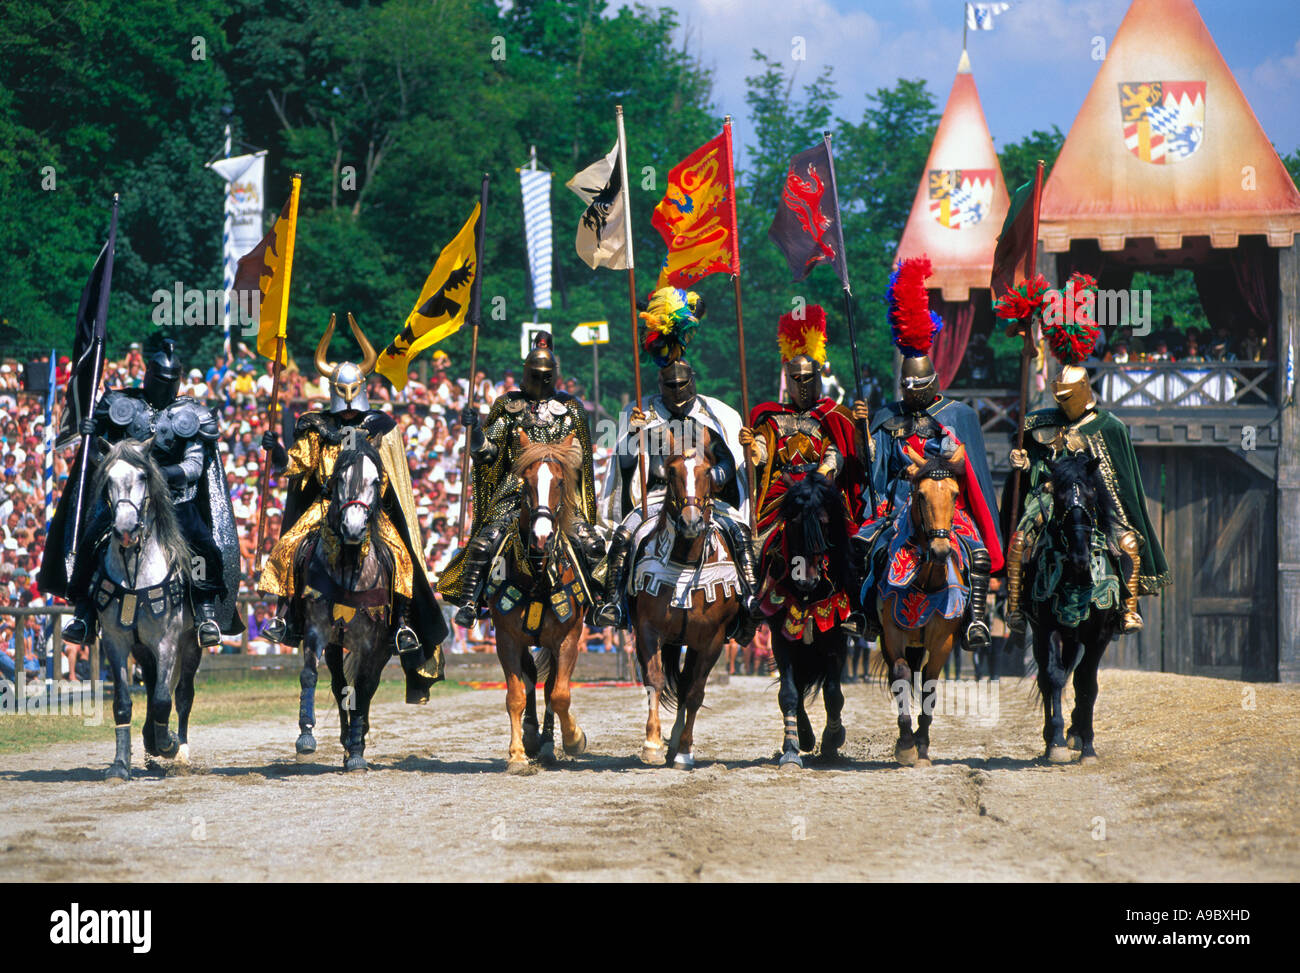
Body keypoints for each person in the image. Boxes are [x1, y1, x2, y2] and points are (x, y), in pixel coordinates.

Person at [258, 313, 446, 704]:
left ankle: (404, 625)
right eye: (339, 392)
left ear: (360, 389)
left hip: (370, 508)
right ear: (331, 390)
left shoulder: (378, 425)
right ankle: (282, 615)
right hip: (327, 505)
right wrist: (277, 451)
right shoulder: (314, 425)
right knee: (290, 545)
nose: (345, 403)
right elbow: (296, 466)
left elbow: (391, 478)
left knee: (399, 554)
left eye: (351, 392)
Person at [40, 339, 242, 649]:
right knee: (90, 541)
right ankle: (83, 614)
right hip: (129, 499)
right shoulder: (120, 406)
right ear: (147, 375)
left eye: (169, 380)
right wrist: (91, 435)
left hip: (175, 501)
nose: (164, 385)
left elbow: (194, 466)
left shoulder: (190, 414)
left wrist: (159, 476)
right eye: (159, 378)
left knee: (204, 546)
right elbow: (98, 459)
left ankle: (203, 612)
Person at [594, 287, 758, 633]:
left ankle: (750, 601)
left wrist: (714, 477)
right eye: (671, 387)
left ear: (693, 382)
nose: (678, 392)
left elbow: (729, 462)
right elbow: (623, 468)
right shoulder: (643, 413)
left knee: (740, 533)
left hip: (706, 496)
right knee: (625, 534)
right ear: (661, 385)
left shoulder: (716, 415)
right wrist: (634, 436)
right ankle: (612, 602)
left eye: (684, 385)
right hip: (657, 497)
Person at [1004, 292, 1170, 633]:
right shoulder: (1040, 424)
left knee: (1127, 543)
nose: (1062, 403)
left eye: (1068, 396)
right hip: (1050, 497)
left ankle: (1128, 609)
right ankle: (1016, 608)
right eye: (1058, 396)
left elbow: (1122, 484)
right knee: (1021, 542)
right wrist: (1024, 464)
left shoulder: (1109, 427)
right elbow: (1036, 465)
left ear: (1082, 391)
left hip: (1094, 499)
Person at [858, 258, 1002, 649]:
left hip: (946, 506)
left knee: (976, 551)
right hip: (898, 505)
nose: (914, 392)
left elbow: (963, 465)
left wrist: (945, 463)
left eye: (919, 384)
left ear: (932, 380)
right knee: (865, 546)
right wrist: (865, 440)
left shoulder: (955, 416)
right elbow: (876, 471)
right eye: (909, 386)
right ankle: (865, 616)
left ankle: (975, 619)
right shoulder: (888, 416)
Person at [439, 331, 604, 628]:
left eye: (545, 375)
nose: (540, 381)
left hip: (558, 493)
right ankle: (470, 602)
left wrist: (562, 461)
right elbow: (487, 453)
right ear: (525, 373)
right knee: (483, 543)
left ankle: (602, 604)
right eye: (534, 374)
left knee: (591, 544)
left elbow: (581, 457)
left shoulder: (571, 409)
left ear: (553, 375)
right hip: (515, 492)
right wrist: (474, 429)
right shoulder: (509, 405)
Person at [740, 304, 870, 634]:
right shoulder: (769, 416)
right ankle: (752, 600)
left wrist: (858, 430)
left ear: (818, 379)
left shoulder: (834, 414)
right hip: (783, 492)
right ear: (786, 379)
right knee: (756, 542)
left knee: (852, 540)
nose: (801, 385)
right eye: (795, 379)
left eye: (806, 379)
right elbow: (763, 454)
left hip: (822, 488)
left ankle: (858, 606)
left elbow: (841, 453)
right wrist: (750, 445)